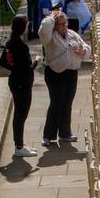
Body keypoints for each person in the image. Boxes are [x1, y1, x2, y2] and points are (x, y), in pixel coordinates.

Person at [39, 9, 89, 146]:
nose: (64, 26)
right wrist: (51, 17)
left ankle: (65, 133)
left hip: (71, 72)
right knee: (56, 103)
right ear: (54, 26)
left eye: (65, 23)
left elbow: (86, 47)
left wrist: (83, 51)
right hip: (55, 72)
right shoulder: (49, 37)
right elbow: (43, 31)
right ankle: (48, 135)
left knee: (67, 103)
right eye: (61, 24)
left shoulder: (72, 34)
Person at [0, 16, 38, 157]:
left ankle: (20, 143)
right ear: (24, 27)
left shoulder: (10, 43)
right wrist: (36, 61)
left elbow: (3, 62)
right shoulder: (21, 46)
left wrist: (13, 67)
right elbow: (28, 68)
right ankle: (19, 146)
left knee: (20, 114)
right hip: (22, 83)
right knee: (21, 115)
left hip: (15, 81)